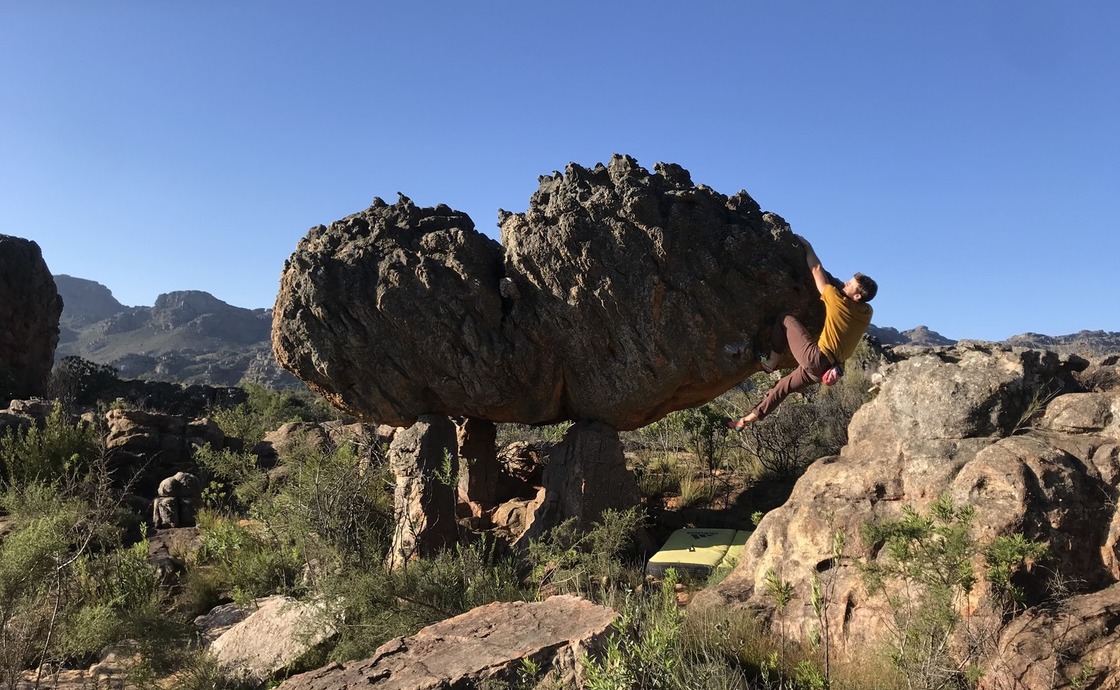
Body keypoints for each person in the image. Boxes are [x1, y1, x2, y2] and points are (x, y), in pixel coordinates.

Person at [727, 234, 877, 429]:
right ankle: (745, 420)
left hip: (816, 358)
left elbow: (816, 269)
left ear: (857, 296)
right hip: (824, 372)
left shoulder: (836, 299)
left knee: (785, 319)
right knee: (782, 388)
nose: (845, 284)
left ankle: (771, 362)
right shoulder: (867, 313)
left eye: (850, 285)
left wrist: (808, 247)